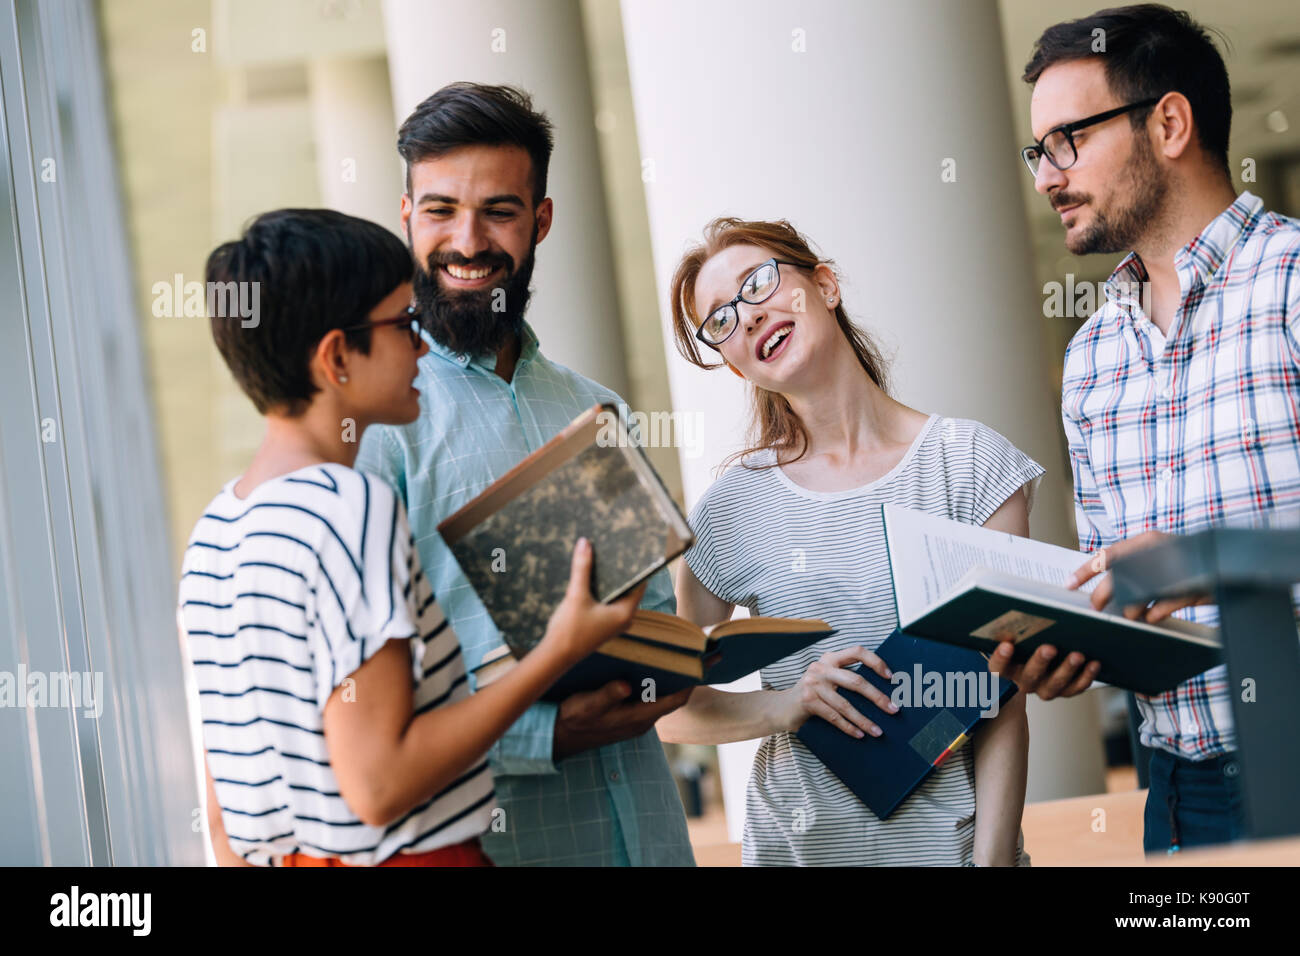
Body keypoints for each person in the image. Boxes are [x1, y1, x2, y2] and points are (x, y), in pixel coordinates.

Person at [181, 208, 644, 867]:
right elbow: (380, 783)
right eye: (403, 325)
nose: (423, 347)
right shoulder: (350, 508)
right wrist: (559, 648)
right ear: (338, 355)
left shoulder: (215, 533)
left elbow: (224, 818)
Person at [354, 83, 695, 866]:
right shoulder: (377, 430)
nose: (467, 241)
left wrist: (672, 674)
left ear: (540, 220)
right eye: (440, 210)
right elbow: (377, 717)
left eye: (498, 212)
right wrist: (546, 731)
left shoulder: (596, 407)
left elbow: (654, 625)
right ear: (407, 217)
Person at [999, 4, 1300, 852]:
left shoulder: (1292, 284)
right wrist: (1074, 646)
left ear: (1168, 122)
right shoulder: (1092, 357)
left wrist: (1203, 562)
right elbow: (1133, 598)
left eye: (1068, 141)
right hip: (1175, 796)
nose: (1047, 176)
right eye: (1038, 152)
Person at [655, 217, 1039, 866]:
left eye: (758, 284)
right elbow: (670, 707)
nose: (745, 317)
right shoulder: (730, 508)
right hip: (796, 850)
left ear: (825, 285)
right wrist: (785, 705)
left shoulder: (972, 464)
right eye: (720, 319)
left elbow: (1001, 693)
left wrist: (994, 859)